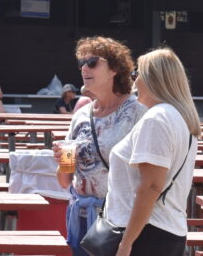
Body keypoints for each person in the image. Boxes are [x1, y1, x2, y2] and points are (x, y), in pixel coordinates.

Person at [54, 37, 146, 256]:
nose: (85, 67)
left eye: (93, 62)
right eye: (81, 63)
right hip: (82, 219)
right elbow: (65, 180)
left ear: (114, 68)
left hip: (118, 221)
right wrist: (63, 161)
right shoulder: (81, 115)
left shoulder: (135, 111)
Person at [103, 48, 200, 256]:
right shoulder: (180, 117)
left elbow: (151, 186)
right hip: (166, 228)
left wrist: (126, 242)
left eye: (136, 75)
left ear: (152, 79)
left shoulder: (157, 118)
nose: (134, 82)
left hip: (145, 233)